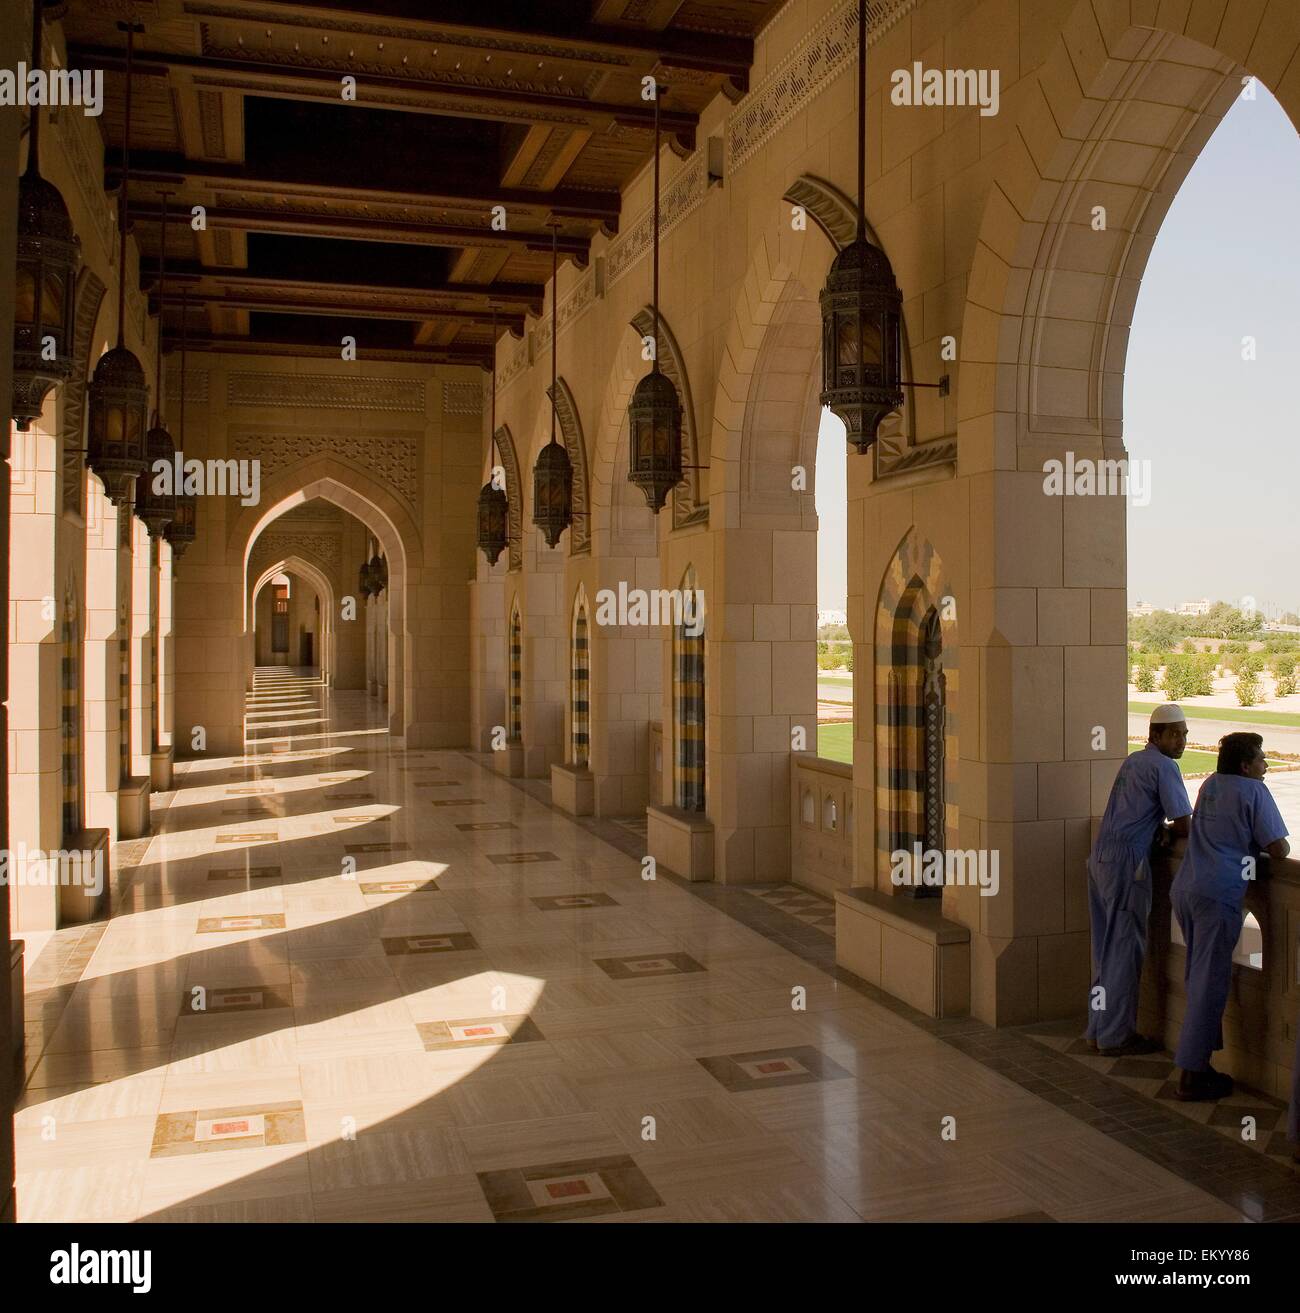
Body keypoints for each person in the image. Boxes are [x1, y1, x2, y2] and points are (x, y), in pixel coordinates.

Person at [1170, 732, 1289, 1101]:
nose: (1265, 765)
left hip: (1187, 887)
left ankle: (1199, 1062)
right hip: (1217, 893)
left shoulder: (1210, 784)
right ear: (1245, 765)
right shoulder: (1254, 792)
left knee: (1198, 974)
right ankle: (1192, 1073)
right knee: (1210, 981)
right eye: (1261, 759)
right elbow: (1279, 849)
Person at [1086, 704, 1192, 1056]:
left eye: (1184, 733)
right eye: (1175, 733)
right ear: (1156, 736)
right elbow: (1184, 823)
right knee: (1124, 948)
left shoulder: (1134, 760)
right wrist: (1163, 831)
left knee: (1104, 947)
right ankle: (1116, 1036)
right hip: (1127, 864)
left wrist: (1153, 829)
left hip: (1101, 856)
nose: (1182, 740)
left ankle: (1097, 1028)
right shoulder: (1164, 766)